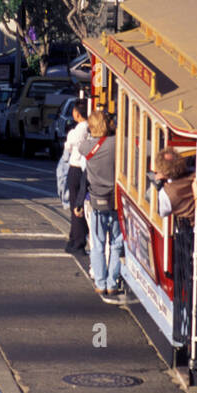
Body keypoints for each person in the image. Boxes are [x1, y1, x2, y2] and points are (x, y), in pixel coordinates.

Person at [81, 109, 123, 301]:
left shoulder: (86, 147)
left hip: (96, 200)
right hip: (115, 200)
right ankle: (112, 283)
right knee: (116, 243)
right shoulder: (117, 144)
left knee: (97, 244)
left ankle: (100, 283)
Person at [63, 99, 90, 255]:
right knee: (79, 204)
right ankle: (73, 238)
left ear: (77, 113)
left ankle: (78, 242)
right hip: (84, 169)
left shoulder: (78, 130)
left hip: (76, 169)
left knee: (76, 206)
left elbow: (68, 146)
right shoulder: (89, 128)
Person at [150, 148, 195, 222]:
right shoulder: (196, 174)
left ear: (163, 172)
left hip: (190, 226)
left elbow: (161, 213)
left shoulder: (166, 194)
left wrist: (159, 186)